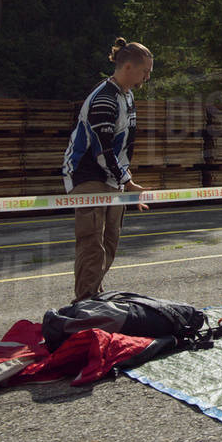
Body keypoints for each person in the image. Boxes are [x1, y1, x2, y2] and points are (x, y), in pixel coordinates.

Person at [62, 38, 153, 301]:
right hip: (87, 174)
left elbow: (123, 146)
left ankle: (95, 293)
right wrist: (128, 181)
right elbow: (103, 149)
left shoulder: (127, 96)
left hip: (113, 176)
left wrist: (124, 180)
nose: (147, 77)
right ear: (127, 67)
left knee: (111, 239)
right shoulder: (104, 99)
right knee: (92, 242)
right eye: (144, 71)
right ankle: (84, 301)